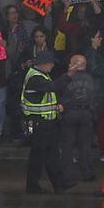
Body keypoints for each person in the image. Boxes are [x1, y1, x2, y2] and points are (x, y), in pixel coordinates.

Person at [23, 50, 70, 193]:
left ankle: (59, 184)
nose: (52, 66)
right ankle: (33, 186)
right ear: (43, 64)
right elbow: (52, 88)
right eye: (51, 63)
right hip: (38, 122)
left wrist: (58, 105)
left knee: (52, 154)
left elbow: (49, 94)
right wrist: (68, 76)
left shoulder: (42, 75)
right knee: (38, 155)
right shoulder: (35, 77)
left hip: (47, 122)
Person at [55, 54, 97, 183]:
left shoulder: (66, 78)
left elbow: (56, 91)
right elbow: (96, 96)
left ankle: (67, 174)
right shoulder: (91, 79)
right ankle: (87, 173)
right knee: (85, 145)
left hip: (69, 113)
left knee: (67, 146)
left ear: (74, 64)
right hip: (86, 113)